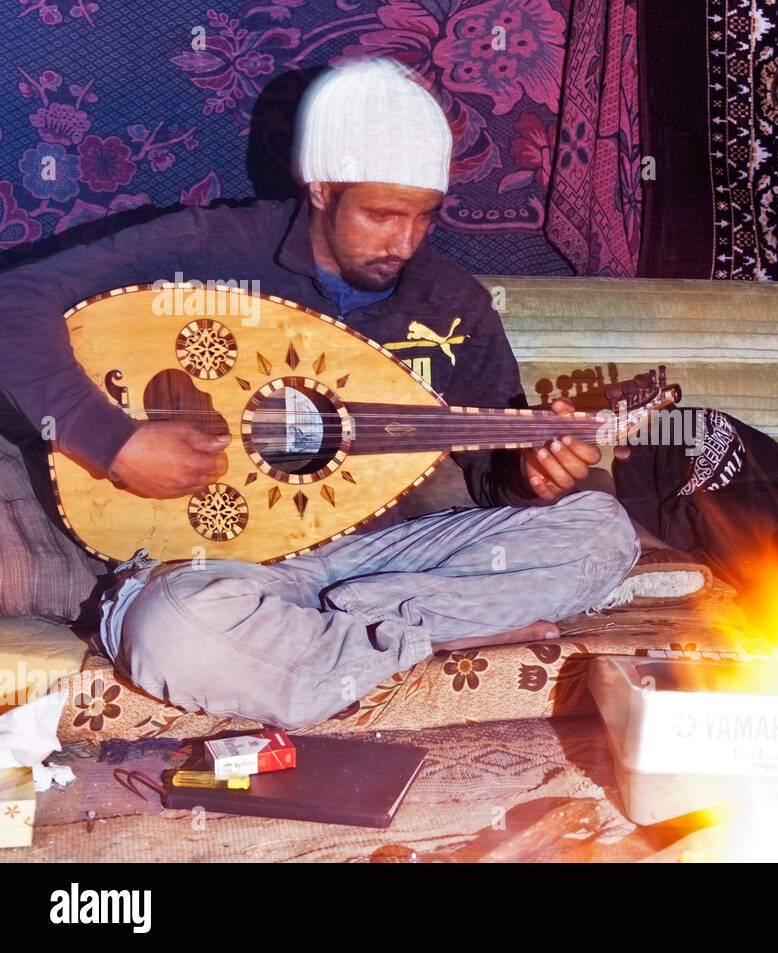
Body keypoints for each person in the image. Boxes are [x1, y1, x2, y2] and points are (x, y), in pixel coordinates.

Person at [0, 58, 639, 729]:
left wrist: (532, 477)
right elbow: (13, 300)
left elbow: (491, 479)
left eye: (426, 216)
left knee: (601, 531)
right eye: (383, 214)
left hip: (369, 561)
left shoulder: (453, 303)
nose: (406, 241)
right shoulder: (213, 245)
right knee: (176, 630)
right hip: (212, 572)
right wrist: (113, 439)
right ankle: (417, 637)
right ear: (322, 188)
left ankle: (350, 648)